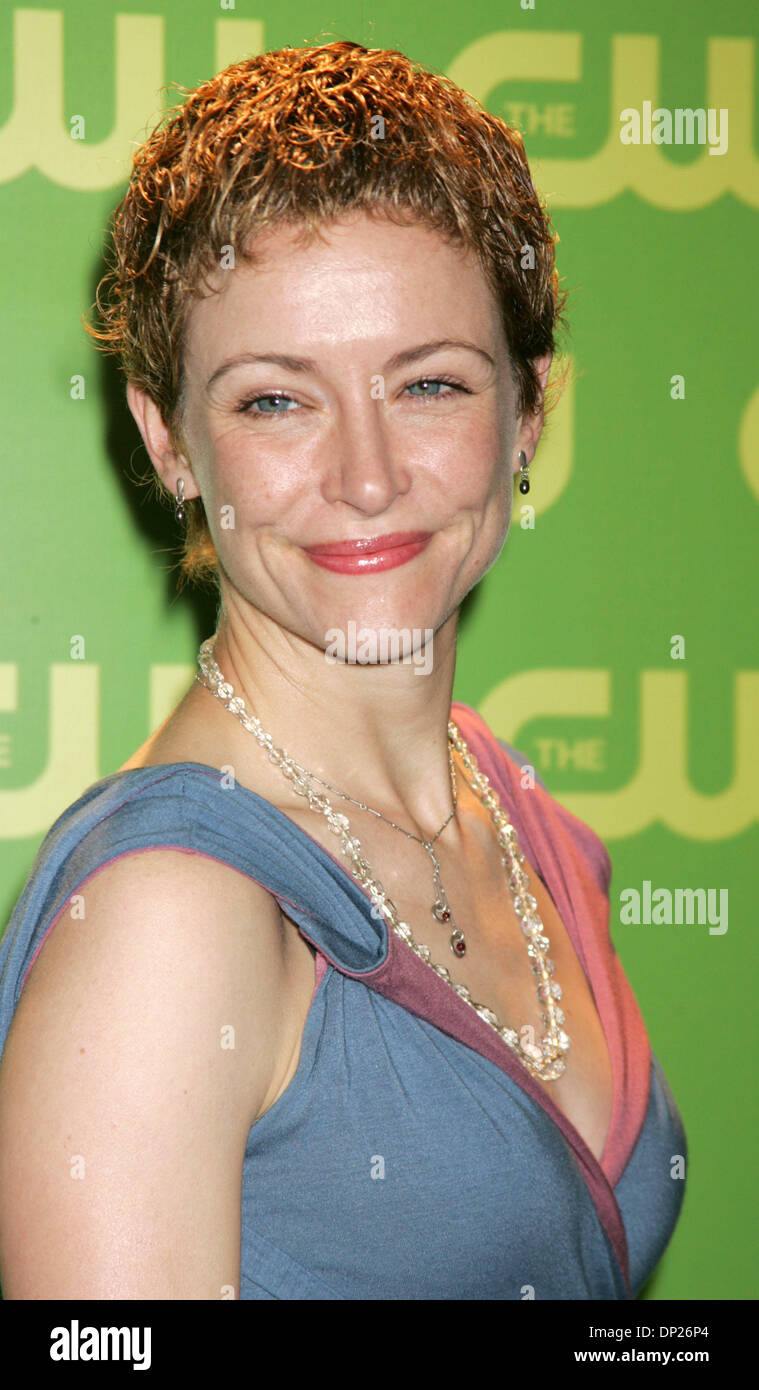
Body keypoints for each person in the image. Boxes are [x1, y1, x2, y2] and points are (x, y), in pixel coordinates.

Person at [0, 40, 686, 1300]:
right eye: (276, 401)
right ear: (170, 440)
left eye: (429, 384)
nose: (366, 478)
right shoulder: (174, 919)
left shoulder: (512, 806)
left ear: (527, 411)